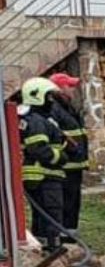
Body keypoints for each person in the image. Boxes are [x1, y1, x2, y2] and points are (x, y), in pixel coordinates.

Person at [17, 77, 68, 247]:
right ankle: (53, 247)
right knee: (52, 212)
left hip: (41, 175)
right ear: (37, 96)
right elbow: (39, 149)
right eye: (49, 97)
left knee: (42, 216)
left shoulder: (34, 118)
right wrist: (61, 157)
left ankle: (43, 245)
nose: (51, 101)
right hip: (44, 175)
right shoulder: (37, 121)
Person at [46, 73, 88, 239]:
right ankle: (63, 235)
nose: (73, 89)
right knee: (65, 203)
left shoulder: (68, 107)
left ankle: (70, 234)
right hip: (65, 166)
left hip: (74, 165)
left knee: (72, 202)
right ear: (59, 89)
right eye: (69, 86)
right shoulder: (55, 109)